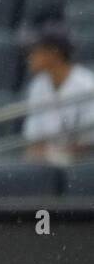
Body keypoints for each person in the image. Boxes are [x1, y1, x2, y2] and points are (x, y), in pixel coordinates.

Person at [22, 27, 94, 167]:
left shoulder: (87, 85)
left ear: (54, 53)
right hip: (48, 166)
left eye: (36, 51)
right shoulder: (38, 85)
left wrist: (57, 155)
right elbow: (34, 140)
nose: (31, 56)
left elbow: (89, 143)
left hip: (83, 166)